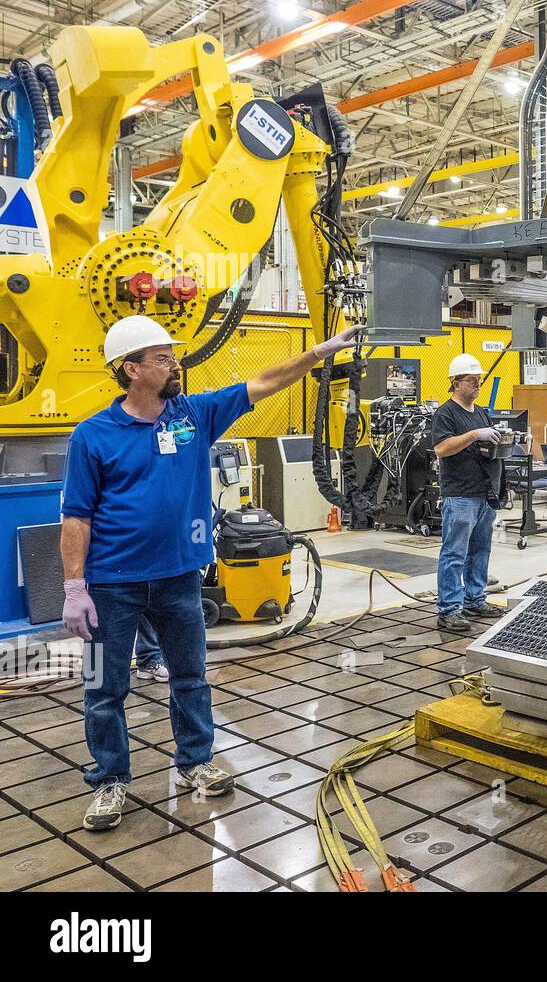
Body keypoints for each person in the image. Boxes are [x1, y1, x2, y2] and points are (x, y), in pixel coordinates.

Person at [61, 314, 359, 832]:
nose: (173, 363)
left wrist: (319, 353)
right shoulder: (93, 435)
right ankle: (110, 779)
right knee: (102, 688)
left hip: (180, 578)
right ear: (130, 369)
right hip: (111, 585)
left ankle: (195, 761)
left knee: (191, 678)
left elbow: (265, 381)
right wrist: (73, 587)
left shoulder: (192, 415)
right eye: (161, 357)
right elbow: (76, 517)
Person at [431, 354, 509, 633]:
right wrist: (476, 434)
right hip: (460, 495)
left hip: (484, 493)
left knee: (479, 550)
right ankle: (449, 609)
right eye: (472, 380)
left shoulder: (480, 412)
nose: (478, 384)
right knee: (454, 552)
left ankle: (475, 599)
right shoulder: (446, 413)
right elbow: (442, 448)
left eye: (479, 380)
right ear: (455, 383)